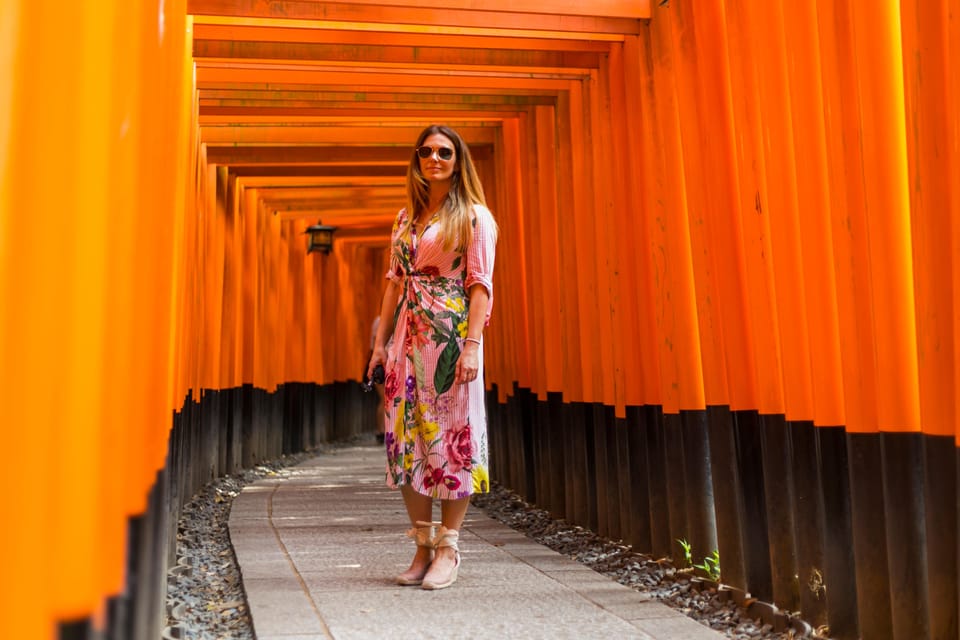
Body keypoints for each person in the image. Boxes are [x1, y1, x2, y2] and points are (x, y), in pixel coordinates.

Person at [367, 124, 498, 591]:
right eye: (426, 151)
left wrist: (472, 345)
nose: (434, 158)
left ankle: (449, 547)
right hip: (404, 340)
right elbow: (393, 282)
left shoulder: (475, 218)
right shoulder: (406, 218)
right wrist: (379, 344)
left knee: (451, 437)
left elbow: (480, 286)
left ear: (459, 160)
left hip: (447, 339)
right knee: (406, 440)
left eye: (444, 152)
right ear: (416, 159)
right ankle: (421, 546)